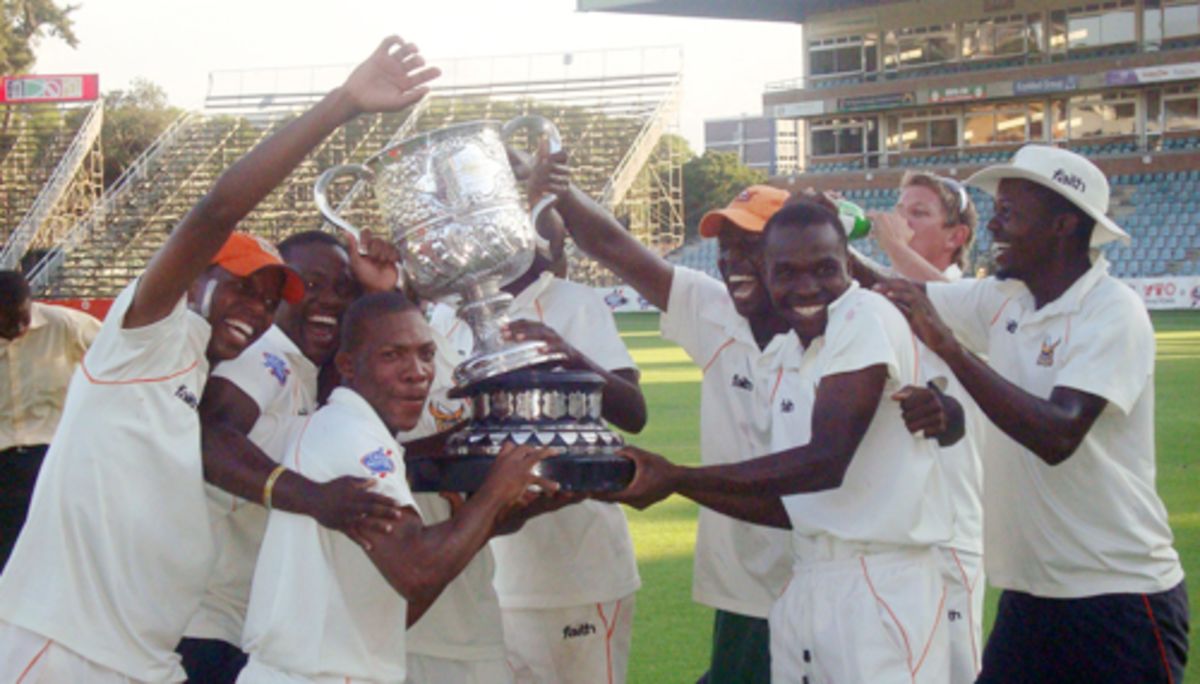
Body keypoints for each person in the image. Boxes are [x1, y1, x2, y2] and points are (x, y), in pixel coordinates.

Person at [0, 36, 439, 683]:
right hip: (66, 648)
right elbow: (218, 209)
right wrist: (343, 103)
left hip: (145, 659)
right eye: (241, 285)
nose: (255, 308)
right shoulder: (144, 337)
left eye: (268, 300)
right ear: (195, 275)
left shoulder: (205, 373)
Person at [877, 144, 1189, 683]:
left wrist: (951, 348)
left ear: (1063, 225)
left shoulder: (1113, 310)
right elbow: (897, 293)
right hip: (1031, 599)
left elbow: (1058, 433)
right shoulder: (1005, 299)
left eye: (1009, 212)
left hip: (1119, 599)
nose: (993, 224)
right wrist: (826, 246)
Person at [612, 200, 955, 684]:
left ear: (848, 266)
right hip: (810, 578)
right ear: (767, 274)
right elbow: (790, 505)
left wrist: (677, 476)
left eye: (824, 269)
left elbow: (825, 463)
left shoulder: (862, 314)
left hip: (880, 585)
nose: (807, 286)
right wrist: (671, 484)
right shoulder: (789, 353)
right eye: (786, 273)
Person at [237, 292, 555, 683]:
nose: (417, 372)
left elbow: (402, 602)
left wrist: (491, 517)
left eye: (426, 354)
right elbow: (417, 571)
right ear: (347, 365)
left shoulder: (353, 430)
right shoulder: (351, 437)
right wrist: (493, 494)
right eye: (393, 355)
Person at [550, 175, 795, 683]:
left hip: (821, 579)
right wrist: (557, 185)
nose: (731, 262)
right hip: (744, 586)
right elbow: (612, 247)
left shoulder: (840, 336)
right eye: (725, 249)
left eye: (751, 247)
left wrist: (677, 478)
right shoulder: (716, 311)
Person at [428, 148, 647, 684]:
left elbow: (633, 413)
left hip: (578, 576)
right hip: (481, 575)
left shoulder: (576, 303)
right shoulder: (440, 315)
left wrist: (570, 355)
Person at [179, 229, 402, 682]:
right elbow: (212, 433)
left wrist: (380, 293)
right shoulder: (266, 356)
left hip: (231, 620)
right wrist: (314, 498)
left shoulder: (304, 373)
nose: (331, 302)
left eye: (344, 290)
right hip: (206, 622)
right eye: (312, 286)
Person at [865, 171, 988, 682]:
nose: (901, 219)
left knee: (958, 671)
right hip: (892, 528)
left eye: (918, 213)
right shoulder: (886, 302)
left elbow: (939, 306)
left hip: (951, 529)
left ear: (957, 236)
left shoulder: (975, 301)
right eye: (900, 208)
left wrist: (892, 248)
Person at [0, 270, 101, 570]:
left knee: (59, 553)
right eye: (7, 320)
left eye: (24, 316)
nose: (20, 326)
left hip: (53, 454)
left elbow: (115, 354)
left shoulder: (64, 325)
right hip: (3, 461)